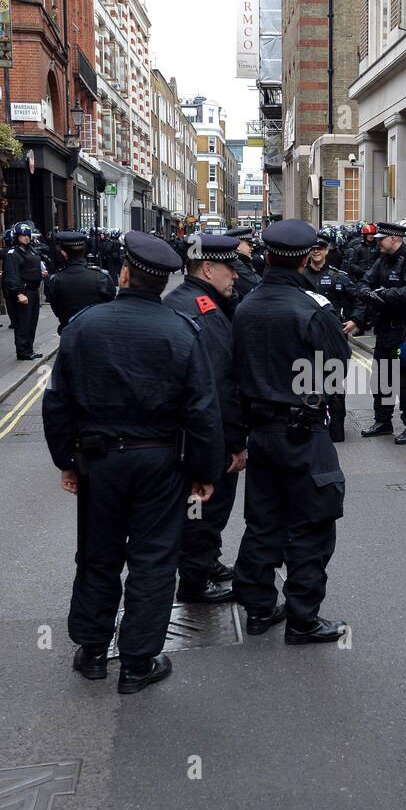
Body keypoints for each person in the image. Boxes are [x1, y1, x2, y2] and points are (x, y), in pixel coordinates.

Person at [43, 231, 224, 694]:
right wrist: (205, 473)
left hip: (99, 462)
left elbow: (57, 402)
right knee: (154, 559)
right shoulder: (182, 330)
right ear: (161, 282)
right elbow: (202, 410)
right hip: (161, 464)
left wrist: (66, 459)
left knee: (98, 555)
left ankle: (93, 652)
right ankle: (138, 664)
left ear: (123, 272)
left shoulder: (83, 326)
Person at [230, 219, 352, 643]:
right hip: (303, 432)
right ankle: (302, 618)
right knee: (313, 524)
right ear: (304, 259)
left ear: (267, 255)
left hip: (261, 432)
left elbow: (234, 373)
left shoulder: (244, 307)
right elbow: (335, 375)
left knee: (264, 522)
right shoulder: (313, 309)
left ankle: (259, 608)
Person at [163, 234, 248, 602]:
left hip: (180, 434)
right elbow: (217, 388)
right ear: (208, 268)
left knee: (199, 510)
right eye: (231, 268)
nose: (236, 276)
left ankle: (205, 563)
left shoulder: (179, 301)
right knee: (204, 511)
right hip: (202, 440)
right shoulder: (204, 311)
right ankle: (195, 583)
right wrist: (233, 444)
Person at [347, 221, 406, 444]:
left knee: (405, 382)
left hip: (405, 330)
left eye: (381, 239)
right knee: (381, 378)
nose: (376, 242)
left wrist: (382, 295)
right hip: (384, 328)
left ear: (394, 239)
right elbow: (364, 284)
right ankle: (383, 421)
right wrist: (362, 306)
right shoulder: (382, 261)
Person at [308, 230, 359, 443]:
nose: (316, 252)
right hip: (308, 338)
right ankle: (313, 427)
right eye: (313, 249)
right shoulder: (300, 277)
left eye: (320, 248)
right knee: (309, 383)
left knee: (335, 385)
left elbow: (359, 299)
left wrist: (355, 321)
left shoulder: (340, 277)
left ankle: (336, 431)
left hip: (333, 339)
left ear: (327, 250)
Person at [45, 230, 116, 334]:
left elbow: (57, 310)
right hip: (98, 333)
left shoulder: (56, 280)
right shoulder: (101, 277)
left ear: (64, 254)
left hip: (69, 333)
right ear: (84, 251)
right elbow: (111, 304)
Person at [1, 222, 47, 360]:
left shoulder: (30, 250)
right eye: (22, 236)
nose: (26, 238)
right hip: (23, 292)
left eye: (27, 235)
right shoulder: (13, 254)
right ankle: (22, 351)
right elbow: (12, 276)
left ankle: (29, 349)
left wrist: (40, 273)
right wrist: (18, 293)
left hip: (33, 291)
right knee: (23, 323)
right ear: (17, 237)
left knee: (32, 322)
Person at [225, 227, 264, 299]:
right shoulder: (237, 265)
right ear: (237, 246)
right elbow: (257, 285)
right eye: (249, 244)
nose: (252, 248)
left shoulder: (242, 262)